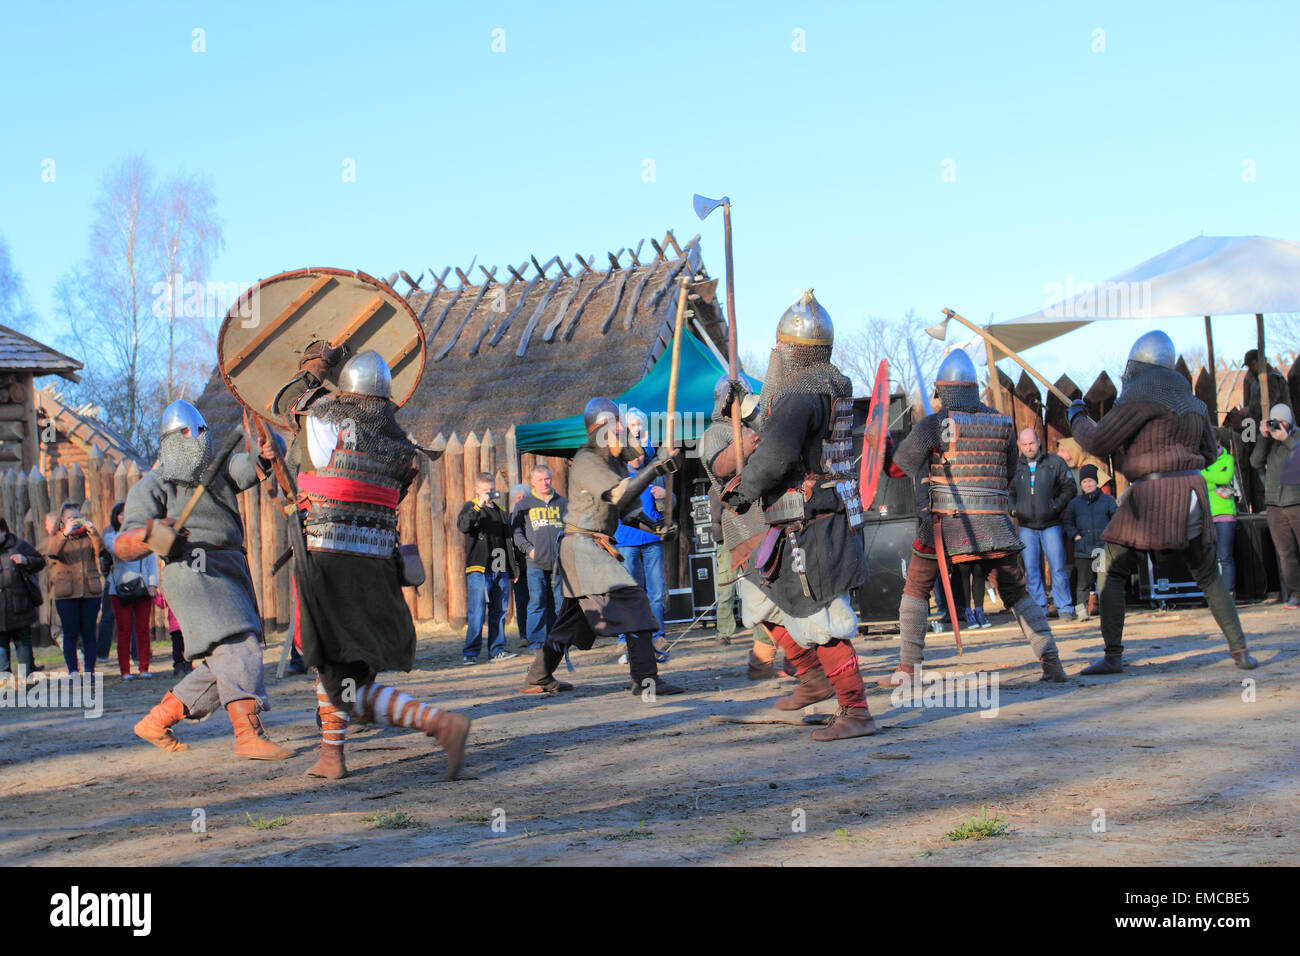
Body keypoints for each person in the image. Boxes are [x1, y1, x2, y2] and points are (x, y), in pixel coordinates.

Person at [277, 349, 471, 780]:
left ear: (345, 393)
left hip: (332, 561)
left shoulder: (326, 422)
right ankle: (332, 756)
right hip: (377, 562)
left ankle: (440, 724)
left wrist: (312, 372)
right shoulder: (403, 448)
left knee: (337, 671)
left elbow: (289, 409)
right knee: (345, 667)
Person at [723, 291, 880, 739]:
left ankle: (856, 712)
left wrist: (741, 493)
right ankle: (813, 680)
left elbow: (775, 456)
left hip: (812, 521)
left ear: (790, 351)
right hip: (816, 517)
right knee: (769, 596)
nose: (774, 353)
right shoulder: (827, 385)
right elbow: (787, 431)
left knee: (821, 616)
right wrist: (748, 408)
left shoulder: (802, 392)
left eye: (778, 347)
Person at [1069, 330, 1259, 672]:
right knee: (1209, 575)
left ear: (1137, 365)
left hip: (1153, 497)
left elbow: (1097, 441)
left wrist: (1076, 418)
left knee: (1111, 569)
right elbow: (1205, 453)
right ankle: (1240, 651)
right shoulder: (1193, 403)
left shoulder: (1138, 396)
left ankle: (1113, 656)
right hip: (1192, 493)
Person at [117, 399, 294, 760]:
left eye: (199, 431)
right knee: (238, 644)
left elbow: (257, 463)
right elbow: (124, 543)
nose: (194, 437)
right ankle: (248, 733)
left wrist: (269, 447)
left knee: (223, 662)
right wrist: (153, 532)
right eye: (184, 432)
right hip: (192, 571)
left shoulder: (219, 469)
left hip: (230, 568)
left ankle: (157, 719)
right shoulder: (153, 485)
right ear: (169, 440)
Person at [883, 349, 1068, 687]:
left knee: (916, 588)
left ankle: (908, 670)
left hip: (945, 524)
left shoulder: (934, 424)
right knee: (1017, 594)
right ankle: (1052, 662)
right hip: (994, 524)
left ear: (943, 390)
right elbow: (1008, 474)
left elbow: (899, 468)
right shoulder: (1002, 423)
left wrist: (883, 447)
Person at [522, 398, 683, 697]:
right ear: (601, 427)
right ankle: (646, 680)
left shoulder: (614, 461)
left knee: (570, 623)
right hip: (582, 547)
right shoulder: (587, 459)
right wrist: (654, 469)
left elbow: (628, 512)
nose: (622, 428)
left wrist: (657, 528)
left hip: (589, 549)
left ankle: (538, 677)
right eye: (617, 422)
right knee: (635, 601)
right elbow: (620, 494)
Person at [700, 373, 793, 679]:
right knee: (766, 594)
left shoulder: (754, 428)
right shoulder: (715, 434)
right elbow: (721, 468)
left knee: (782, 591)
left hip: (768, 519)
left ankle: (775, 660)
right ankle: (773, 661)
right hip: (743, 522)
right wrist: (746, 443)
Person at [613, 409, 669, 660]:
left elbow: (670, 503)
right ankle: (625, 638)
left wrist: (667, 497)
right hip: (627, 539)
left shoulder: (655, 470)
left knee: (656, 592)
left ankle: (658, 636)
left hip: (652, 539)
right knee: (628, 591)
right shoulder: (617, 470)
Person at [1012, 429, 1077, 619]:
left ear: (1038, 442)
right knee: (1031, 569)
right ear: (1020, 446)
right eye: (1024, 444)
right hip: (1026, 525)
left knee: (1058, 567)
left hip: (1051, 523)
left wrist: (1055, 506)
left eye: (1031, 443)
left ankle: (1064, 607)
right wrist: (1013, 508)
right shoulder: (1016, 466)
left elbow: (1070, 487)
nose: (1028, 447)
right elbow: (1008, 490)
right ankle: (1039, 608)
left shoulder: (1054, 462)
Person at [457, 472, 518, 664]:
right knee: (477, 611)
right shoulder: (470, 507)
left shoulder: (500, 511)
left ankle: (497, 650)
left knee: (499, 611)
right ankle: (471, 653)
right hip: (479, 568)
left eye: (491, 490)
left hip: (499, 566)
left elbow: (508, 540)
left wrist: (513, 568)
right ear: (477, 490)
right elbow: (464, 526)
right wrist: (478, 505)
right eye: (485, 491)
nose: (489, 494)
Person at [43, 501, 107, 676]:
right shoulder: (57, 536)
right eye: (71, 518)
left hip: (90, 591)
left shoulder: (88, 536)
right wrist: (65, 534)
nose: (75, 521)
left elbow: (100, 551)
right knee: (70, 634)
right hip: (66, 594)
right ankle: (73, 671)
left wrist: (93, 532)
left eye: (77, 517)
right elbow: (52, 553)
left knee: (89, 633)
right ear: (62, 520)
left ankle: (89, 671)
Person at [1248, 404, 1300, 607]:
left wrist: (1286, 440)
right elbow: (1255, 462)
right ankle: (1296, 593)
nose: (1278, 425)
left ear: (1289, 421)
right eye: (1274, 421)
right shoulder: (1269, 441)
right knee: (1286, 553)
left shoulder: (1296, 437)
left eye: (1281, 421)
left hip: (1297, 501)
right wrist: (1263, 437)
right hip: (1275, 505)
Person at [102, 502, 159, 679]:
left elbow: (151, 560)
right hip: (120, 589)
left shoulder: (144, 534)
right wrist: (132, 538)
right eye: (121, 514)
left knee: (143, 629)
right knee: (124, 630)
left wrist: (152, 584)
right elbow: (116, 552)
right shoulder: (111, 536)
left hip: (142, 586)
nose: (124, 517)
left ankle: (144, 667)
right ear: (116, 517)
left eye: (128, 514)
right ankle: (125, 670)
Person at [512, 465, 566, 651]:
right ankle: (535, 641)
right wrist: (529, 549)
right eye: (541, 479)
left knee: (560, 601)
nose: (545, 482)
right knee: (537, 601)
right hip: (535, 562)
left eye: (548, 478)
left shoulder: (562, 503)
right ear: (533, 482)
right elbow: (516, 532)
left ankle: (560, 639)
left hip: (560, 563)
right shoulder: (523, 504)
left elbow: (572, 528)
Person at [1062, 464, 1116, 619]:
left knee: (1106, 581)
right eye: (1084, 481)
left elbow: (1116, 518)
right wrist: (1075, 535)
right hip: (1083, 549)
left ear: (1097, 482)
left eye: (1091, 481)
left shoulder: (1107, 501)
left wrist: (1110, 536)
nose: (1087, 484)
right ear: (1081, 484)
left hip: (1103, 548)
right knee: (1082, 583)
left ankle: (1110, 609)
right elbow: (1068, 522)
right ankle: (1081, 610)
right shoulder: (1075, 503)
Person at [0, 518, 44, 684]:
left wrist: (26, 561)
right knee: (1, 645)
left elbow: (40, 561)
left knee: (23, 643)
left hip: (18, 605)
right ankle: (4, 681)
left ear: (3, 531)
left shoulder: (19, 545)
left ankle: (28, 678)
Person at [1201, 437, 1239, 599]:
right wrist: (1214, 480)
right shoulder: (1200, 460)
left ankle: (1229, 593)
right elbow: (1199, 480)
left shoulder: (1228, 459)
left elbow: (1225, 478)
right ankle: (1213, 594)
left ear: (1219, 443)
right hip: (1205, 515)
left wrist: (1206, 474)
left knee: (1225, 556)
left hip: (1225, 515)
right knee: (1209, 558)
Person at [508, 483, 531, 649]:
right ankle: (524, 634)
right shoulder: (509, 519)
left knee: (540, 600)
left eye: (524, 497)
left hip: (537, 565)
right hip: (519, 569)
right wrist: (511, 569)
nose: (521, 500)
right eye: (518, 498)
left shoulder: (534, 518)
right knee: (522, 602)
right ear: (513, 500)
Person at [155, 586, 191, 676]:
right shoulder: (170, 589)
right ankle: (179, 665)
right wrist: (155, 595)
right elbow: (162, 603)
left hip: (188, 624)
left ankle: (187, 664)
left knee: (187, 646)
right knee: (178, 647)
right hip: (177, 625)